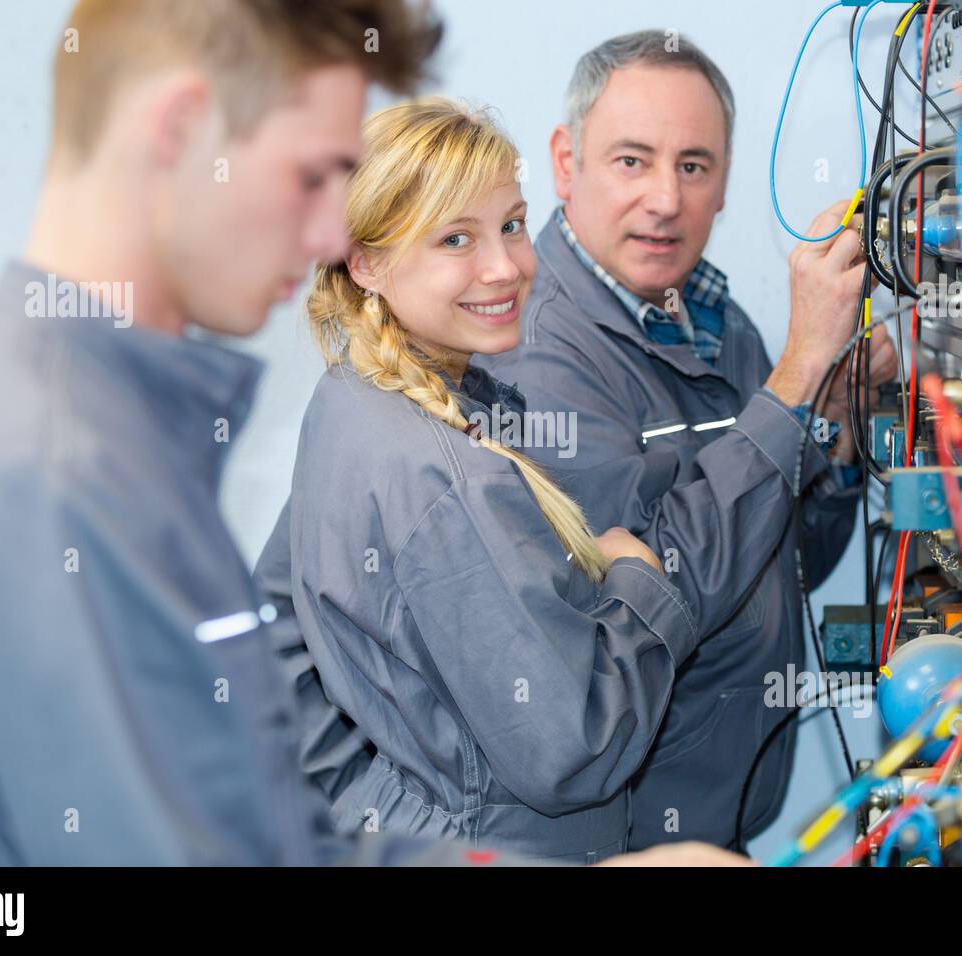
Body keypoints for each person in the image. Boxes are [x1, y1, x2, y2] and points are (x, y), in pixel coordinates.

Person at [0, 0, 742, 868]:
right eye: (310, 175)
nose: (334, 235)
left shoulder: (107, 434)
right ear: (176, 131)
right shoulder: (51, 478)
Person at [254, 97, 751, 863]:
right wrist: (637, 583)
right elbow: (576, 750)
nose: (506, 267)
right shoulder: (447, 475)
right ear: (367, 263)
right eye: (456, 239)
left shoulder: (350, 400)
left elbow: (281, 634)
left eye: (512, 225)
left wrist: (365, 809)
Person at [479, 30, 898, 850]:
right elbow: (649, 588)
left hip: (722, 823)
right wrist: (800, 369)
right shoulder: (536, 350)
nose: (666, 199)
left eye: (694, 165)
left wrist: (836, 422)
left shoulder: (713, 318)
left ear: (724, 183)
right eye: (632, 161)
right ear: (566, 163)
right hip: (631, 843)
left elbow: (782, 552)